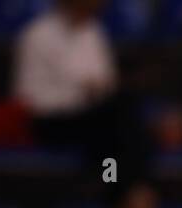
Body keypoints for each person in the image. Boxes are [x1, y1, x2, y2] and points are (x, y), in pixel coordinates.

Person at [12, 0, 151, 177]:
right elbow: (27, 98)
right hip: (50, 120)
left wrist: (98, 90)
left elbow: (107, 81)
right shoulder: (37, 34)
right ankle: (123, 190)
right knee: (119, 123)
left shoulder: (94, 32)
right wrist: (78, 93)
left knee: (126, 116)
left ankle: (122, 187)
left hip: (91, 115)